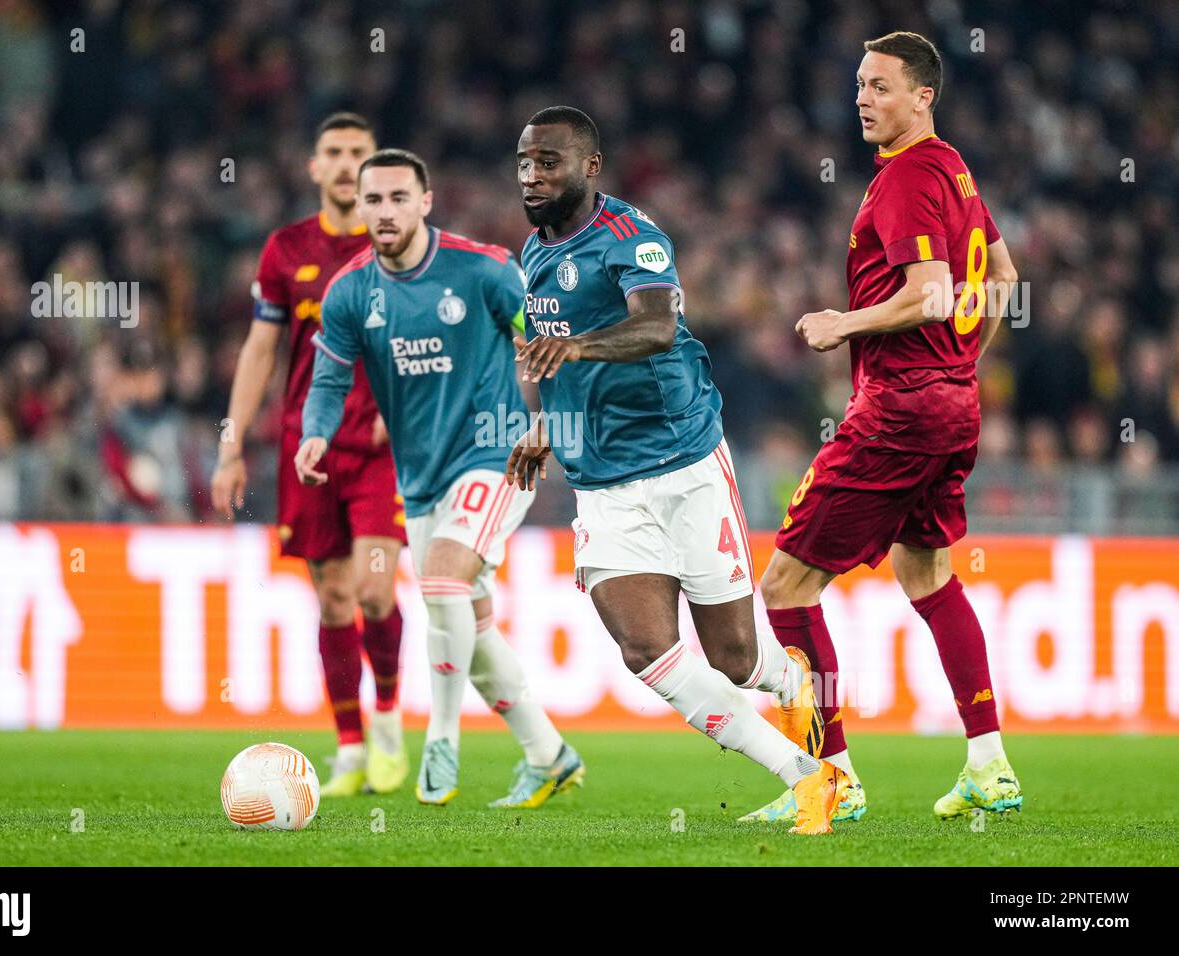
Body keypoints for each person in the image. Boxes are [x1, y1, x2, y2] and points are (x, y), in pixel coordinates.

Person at [507, 106, 846, 835]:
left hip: (684, 465)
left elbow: (656, 324)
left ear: (590, 168)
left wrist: (578, 349)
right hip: (603, 485)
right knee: (645, 651)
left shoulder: (633, 237)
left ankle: (791, 683)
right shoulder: (531, 257)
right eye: (525, 163)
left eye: (549, 162)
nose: (532, 176)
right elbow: (553, 358)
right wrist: (544, 423)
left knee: (735, 658)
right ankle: (805, 776)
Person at [743, 32, 1023, 825]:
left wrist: (844, 321)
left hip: (900, 407)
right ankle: (988, 764)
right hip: (952, 403)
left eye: (881, 86)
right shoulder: (955, 169)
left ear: (923, 96)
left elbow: (931, 292)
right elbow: (1001, 276)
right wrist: (964, 358)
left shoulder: (907, 177)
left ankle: (830, 777)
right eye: (859, 84)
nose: (863, 98)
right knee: (928, 575)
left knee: (786, 587)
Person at [297, 149, 583, 809]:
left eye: (400, 198)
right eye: (374, 200)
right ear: (360, 207)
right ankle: (548, 753)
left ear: (425, 201)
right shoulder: (350, 292)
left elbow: (548, 345)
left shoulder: (482, 271)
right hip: (420, 480)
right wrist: (316, 429)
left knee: (444, 578)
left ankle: (442, 739)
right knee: (468, 623)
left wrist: (551, 423)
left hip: (497, 455)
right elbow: (331, 380)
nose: (386, 211)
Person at [211, 114, 408, 797]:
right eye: (336, 152)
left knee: (376, 588)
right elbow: (261, 350)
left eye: (361, 152)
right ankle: (349, 746)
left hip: (382, 450)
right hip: (308, 447)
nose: (349, 162)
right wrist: (231, 447)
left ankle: (387, 721)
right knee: (330, 601)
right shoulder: (285, 249)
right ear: (315, 167)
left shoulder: (398, 246)